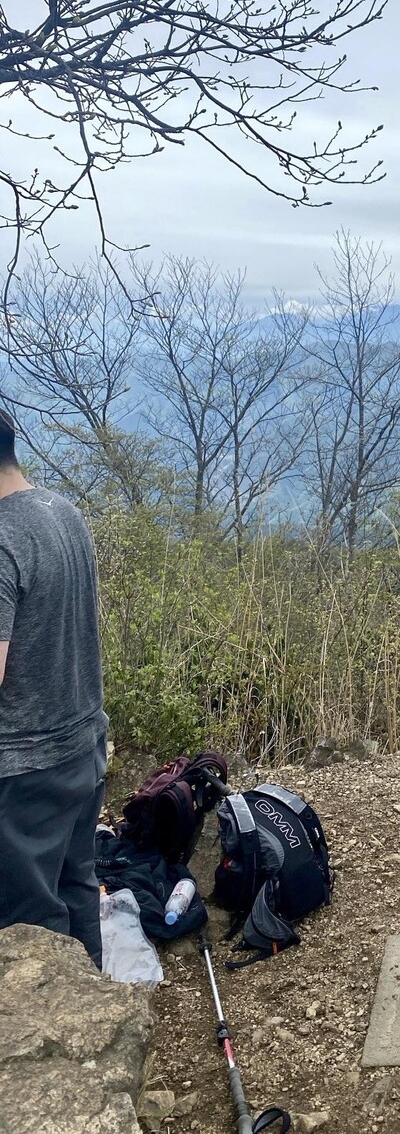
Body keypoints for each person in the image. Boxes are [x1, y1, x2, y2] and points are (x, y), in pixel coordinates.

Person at [0, 408, 108, 966]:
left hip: (23, 773)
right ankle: (100, 1023)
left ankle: (57, 1049)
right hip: (82, 747)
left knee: (28, 929)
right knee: (76, 888)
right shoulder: (62, 511)